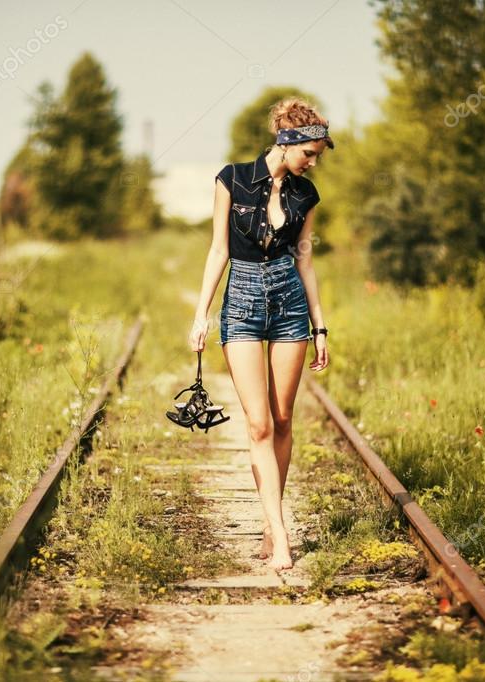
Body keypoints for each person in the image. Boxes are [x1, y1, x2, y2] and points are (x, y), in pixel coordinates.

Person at [189, 97, 332, 570]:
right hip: (244, 304)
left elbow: (306, 260)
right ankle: (279, 529)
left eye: (316, 156)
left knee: (284, 418)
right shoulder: (231, 179)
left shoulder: (305, 196)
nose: (313, 163)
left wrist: (320, 323)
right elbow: (217, 251)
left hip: (290, 304)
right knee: (258, 425)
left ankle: (272, 524)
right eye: (309, 153)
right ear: (287, 141)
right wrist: (201, 313)